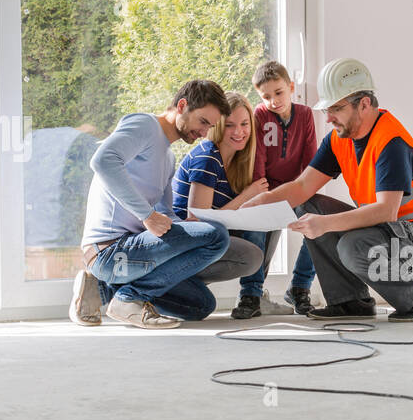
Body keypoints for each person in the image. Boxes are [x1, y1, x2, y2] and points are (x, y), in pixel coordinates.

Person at [244, 57, 413, 323]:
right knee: (308, 206)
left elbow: (387, 211)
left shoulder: (390, 142)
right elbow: (302, 186)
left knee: (352, 246)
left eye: (336, 109)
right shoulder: (338, 139)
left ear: (364, 104)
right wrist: (264, 200)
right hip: (391, 232)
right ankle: (349, 301)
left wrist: (326, 224)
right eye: (326, 110)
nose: (329, 117)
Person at [69, 79, 232, 329]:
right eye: (202, 122)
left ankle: (101, 289)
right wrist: (147, 215)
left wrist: (187, 228)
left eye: (210, 126)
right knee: (217, 236)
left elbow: (166, 213)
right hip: (109, 251)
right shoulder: (144, 125)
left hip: (133, 251)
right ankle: (129, 297)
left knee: (201, 305)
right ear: (182, 105)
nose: (204, 133)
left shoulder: (167, 156)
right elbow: (103, 161)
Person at [233, 59, 321, 318]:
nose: (274, 100)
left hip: (296, 189)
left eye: (279, 93)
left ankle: (299, 288)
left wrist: (304, 191)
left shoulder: (305, 115)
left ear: (291, 87)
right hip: (267, 189)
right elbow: (258, 156)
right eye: (266, 96)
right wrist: (264, 195)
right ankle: (250, 294)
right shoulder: (260, 115)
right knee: (257, 228)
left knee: (320, 226)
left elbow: (311, 160)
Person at [170, 91, 268, 300]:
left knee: (268, 223)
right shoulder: (207, 157)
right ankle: (174, 280)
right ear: (218, 126)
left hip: (210, 235)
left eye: (244, 124)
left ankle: (252, 296)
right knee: (251, 257)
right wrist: (247, 196)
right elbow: (197, 222)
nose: (239, 132)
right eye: (230, 125)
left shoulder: (236, 161)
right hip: (184, 241)